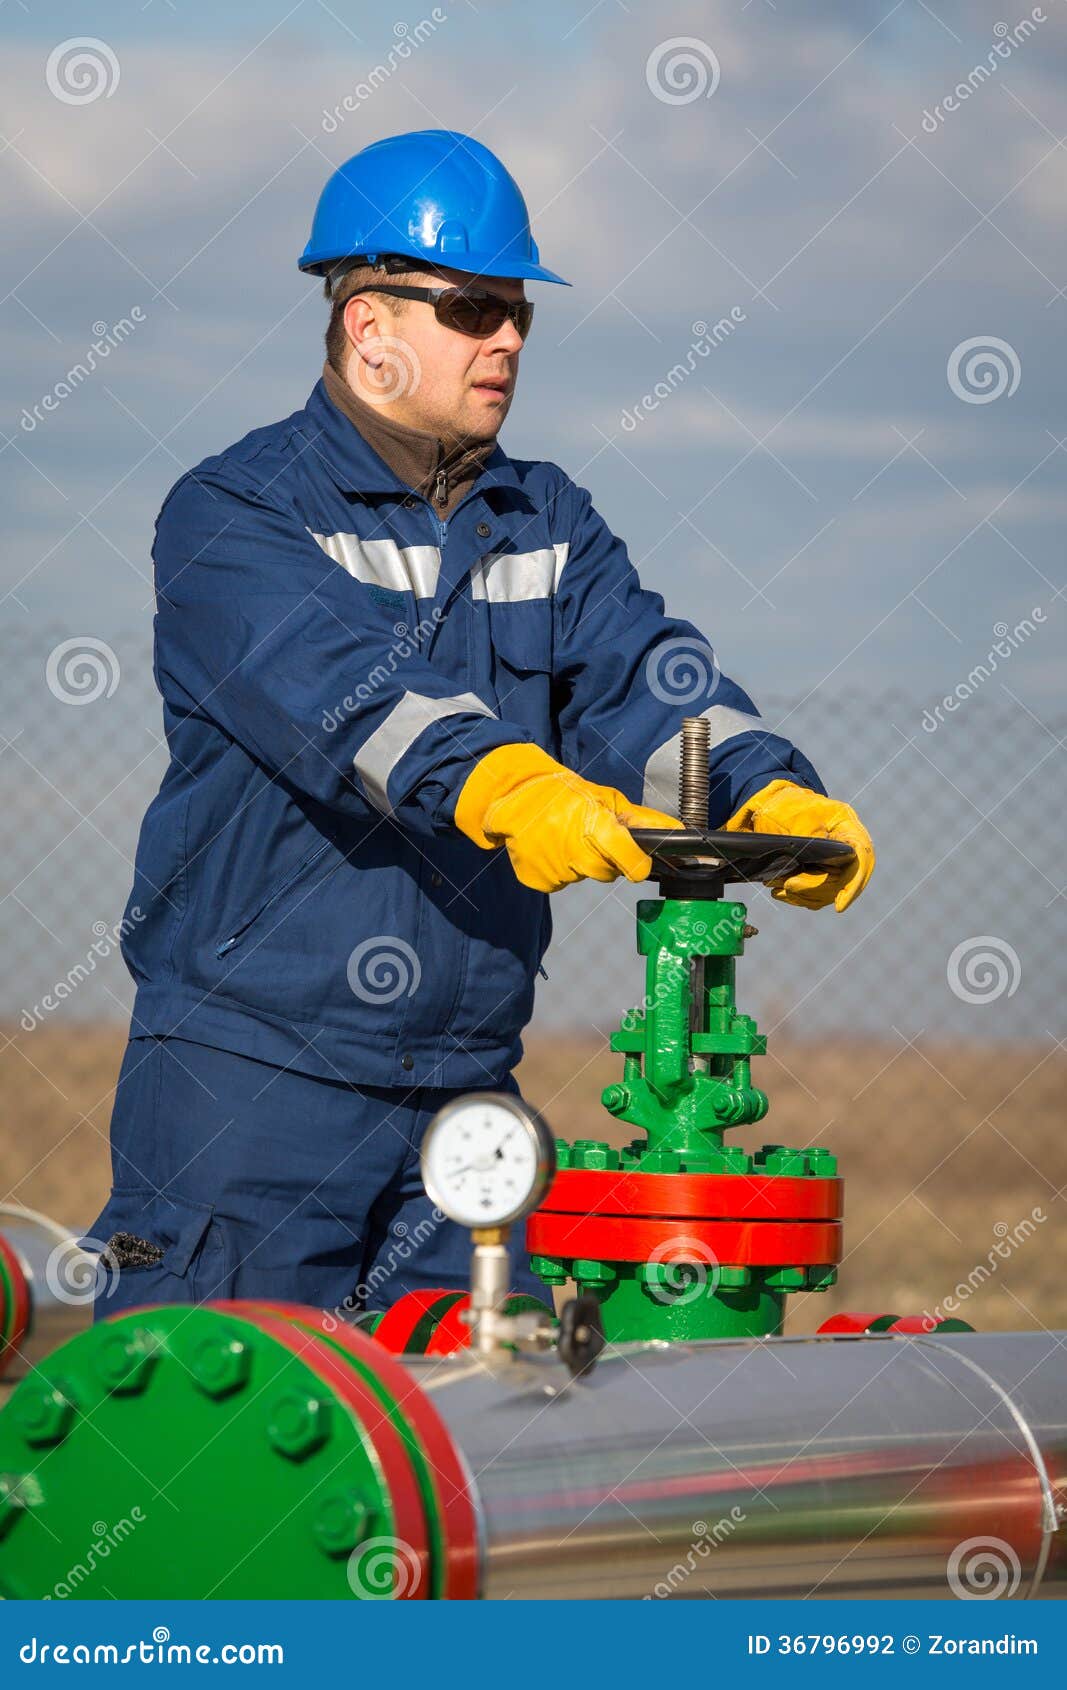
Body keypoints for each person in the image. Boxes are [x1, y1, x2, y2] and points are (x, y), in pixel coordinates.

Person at [87, 129, 874, 1320]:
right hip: (247, 1084)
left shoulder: (542, 520)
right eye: (469, 308)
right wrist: (513, 789)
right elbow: (347, 699)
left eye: (516, 313)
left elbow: (642, 679)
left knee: (474, 1456)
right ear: (368, 324)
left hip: (464, 1096)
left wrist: (763, 786)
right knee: (220, 1448)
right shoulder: (231, 513)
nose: (504, 338)